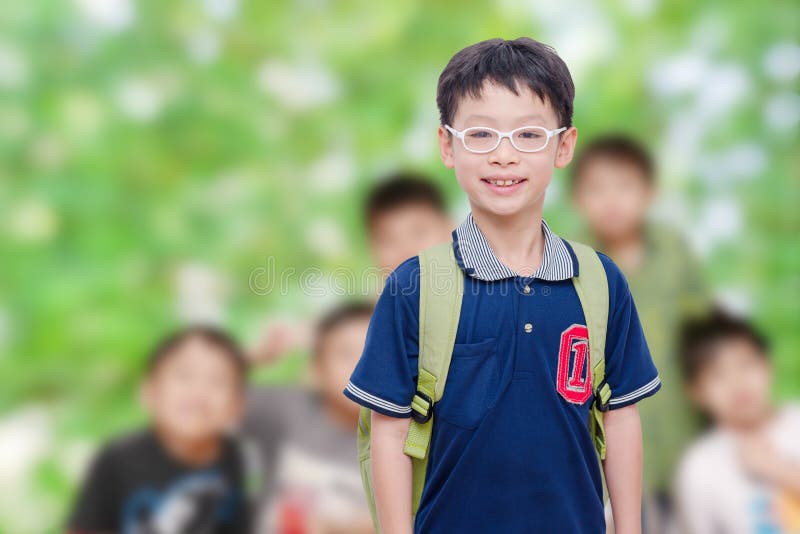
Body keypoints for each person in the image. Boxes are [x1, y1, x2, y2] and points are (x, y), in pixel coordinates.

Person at [342, 37, 661, 533]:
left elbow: (620, 419)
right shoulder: (415, 286)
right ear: (447, 146)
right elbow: (389, 431)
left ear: (564, 146)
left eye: (529, 135)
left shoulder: (600, 282)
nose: (504, 156)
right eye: (481, 135)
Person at [570, 134, 709, 530]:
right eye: (597, 189)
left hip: (680, 428)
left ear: (649, 193)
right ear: (578, 199)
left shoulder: (673, 250)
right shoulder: (571, 262)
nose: (612, 201)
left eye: (625, 187)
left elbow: (702, 335)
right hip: (607, 438)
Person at [67, 326, 250, 534]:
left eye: (217, 380)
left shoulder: (237, 457)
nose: (199, 392)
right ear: (148, 392)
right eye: (184, 376)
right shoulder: (118, 458)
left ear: (238, 405)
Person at [243, 302, 376, 534]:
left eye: (376, 354)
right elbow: (209, 396)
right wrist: (254, 357)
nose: (361, 366)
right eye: (346, 353)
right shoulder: (286, 408)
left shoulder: (414, 442)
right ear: (317, 369)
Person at [674, 310, 800, 534]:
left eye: (746, 365)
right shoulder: (700, 465)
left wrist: (781, 470)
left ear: (768, 364)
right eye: (718, 374)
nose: (737, 383)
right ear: (696, 392)